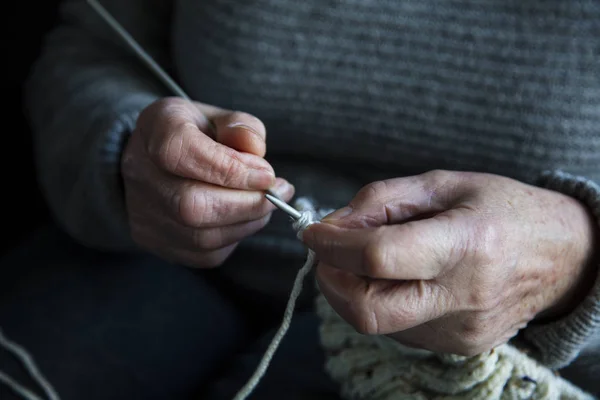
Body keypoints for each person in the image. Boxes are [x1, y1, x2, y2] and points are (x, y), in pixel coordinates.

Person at [1, 0, 599, 398]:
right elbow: (98, 40)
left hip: (516, 336)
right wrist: (127, 150)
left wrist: (576, 261)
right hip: (157, 256)